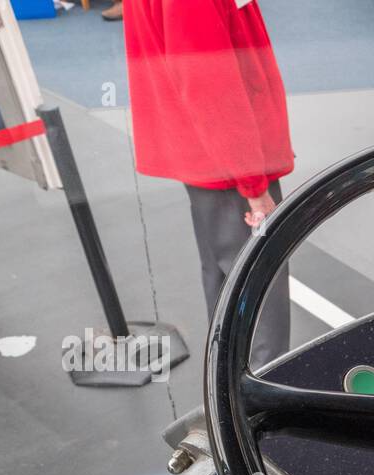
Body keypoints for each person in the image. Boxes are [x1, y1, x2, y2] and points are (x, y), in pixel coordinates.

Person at [124, 0, 293, 369]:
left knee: (226, 280)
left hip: (211, 153)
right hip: (230, 161)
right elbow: (210, 84)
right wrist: (253, 184)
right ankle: (263, 403)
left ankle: (232, 388)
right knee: (258, 289)